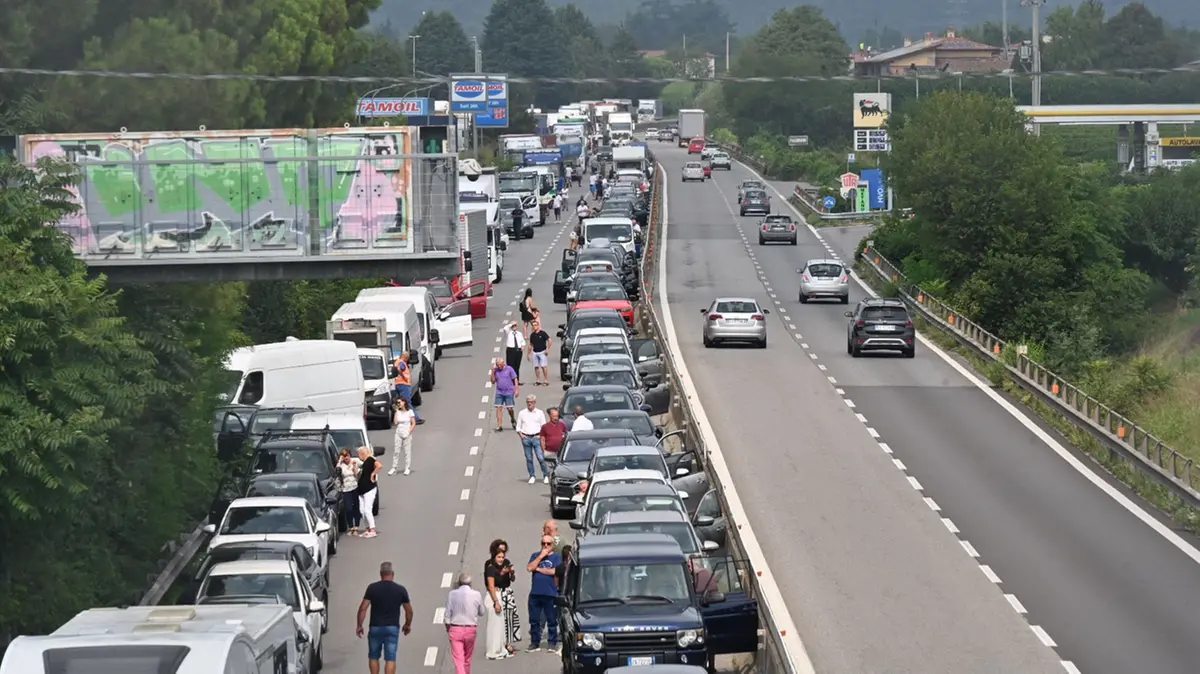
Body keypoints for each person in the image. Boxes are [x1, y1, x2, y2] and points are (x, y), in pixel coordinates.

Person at [357, 561, 414, 674]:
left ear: (380, 574)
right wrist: (407, 625)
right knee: (390, 658)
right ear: (392, 574)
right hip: (392, 628)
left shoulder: (372, 588)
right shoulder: (400, 589)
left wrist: (359, 625)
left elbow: (363, 608)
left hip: (375, 627)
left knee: (373, 656)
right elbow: (409, 611)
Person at [443, 572, 486, 674]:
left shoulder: (452, 594)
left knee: (459, 660)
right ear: (470, 583)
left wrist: (448, 628)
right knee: (467, 659)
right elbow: (482, 612)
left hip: (455, 628)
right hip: (471, 629)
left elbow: (447, 615)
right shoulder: (476, 594)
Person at [526, 535, 562, 653]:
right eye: (543, 543)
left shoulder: (557, 558)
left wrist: (539, 569)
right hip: (535, 593)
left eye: (548, 544)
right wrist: (541, 556)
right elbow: (530, 567)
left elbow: (554, 571)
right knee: (534, 620)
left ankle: (552, 643)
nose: (545, 546)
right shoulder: (535, 556)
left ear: (553, 546)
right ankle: (534, 642)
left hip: (550, 593)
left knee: (552, 620)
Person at [484, 540, 520, 659]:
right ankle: (497, 647)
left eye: (503, 553)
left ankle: (507, 643)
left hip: (507, 593)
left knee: (509, 619)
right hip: (497, 594)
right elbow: (490, 583)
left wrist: (511, 573)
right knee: (497, 622)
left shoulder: (507, 562)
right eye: (499, 554)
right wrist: (496, 601)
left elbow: (512, 579)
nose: (501, 557)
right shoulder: (489, 566)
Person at [516, 395, 549, 485]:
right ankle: (532, 475)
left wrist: (540, 436)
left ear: (534, 403)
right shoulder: (522, 413)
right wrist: (521, 435)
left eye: (531, 402)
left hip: (536, 437)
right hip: (526, 438)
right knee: (529, 458)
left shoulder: (540, 413)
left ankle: (546, 475)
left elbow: (544, 426)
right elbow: (518, 426)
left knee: (541, 458)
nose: (529, 404)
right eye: (528, 402)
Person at [392, 353, 424, 425]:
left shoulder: (397, 361)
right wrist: (404, 378)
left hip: (398, 384)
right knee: (407, 402)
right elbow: (400, 369)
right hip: (404, 385)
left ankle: (398, 418)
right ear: (406, 358)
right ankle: (416, 419)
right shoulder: (402, 363)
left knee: (399, 402)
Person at [356, 446, 381, 538]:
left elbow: (379, 466)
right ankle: (367, 529)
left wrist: (373, 474)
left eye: (359, 454)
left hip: (369, 489)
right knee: (362, 510)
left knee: (367, 509)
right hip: (361, 490)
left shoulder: (370, 459)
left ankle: (373, 529)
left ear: (363, 453)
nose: (359, 457)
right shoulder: (365, 463)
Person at [337, 448, 362, 536]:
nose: (346, 458)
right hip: (346, 489)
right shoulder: (341, 465)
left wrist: (354, 467)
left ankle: (356, 527)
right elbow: (337, 471)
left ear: (350, 455)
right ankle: (351, 527)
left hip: (355, 487)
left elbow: (357, 474)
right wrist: (340, 461)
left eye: (347, 455)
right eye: (344, 456)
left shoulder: (354, 462)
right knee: (348, 509)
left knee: (356, 507)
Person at [389, 397, 416, 476]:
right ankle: (394, 468)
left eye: (399, 402)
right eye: (397, 403)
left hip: (406, 431)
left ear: (404, 402)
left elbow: (413, 423)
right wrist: (396, 412)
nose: (398, 404)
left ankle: (407, 468)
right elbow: (395, 422)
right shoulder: (398, 412)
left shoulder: (409, 412)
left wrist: (409, 432)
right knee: (396, 451)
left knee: (407, 451)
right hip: (399, 432)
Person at [491, 358, 519, 432]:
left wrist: (516, 390)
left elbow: (515, 379)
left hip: (509, 392)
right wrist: (492, 372)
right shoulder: (496, 370)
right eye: (497, 365)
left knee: (509, 409)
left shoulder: (509, 369)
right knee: (499, 408)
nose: (499, 366)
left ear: (503, 363)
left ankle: (512, 419)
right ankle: (499, 426)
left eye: (500, 365)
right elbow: (493, 381)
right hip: (499, 392)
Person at [527, 319, 551, 386]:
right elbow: (531, 345)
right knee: (536, 366)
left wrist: (547, 349)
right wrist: (528, 354)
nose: (534, 327)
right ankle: (538, 380)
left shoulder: (543, 333)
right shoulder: (532, 335)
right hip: (535, 352)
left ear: (538, 326)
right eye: (533, 326)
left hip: (542, 352)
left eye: (535, 325)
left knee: (544, 366)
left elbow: (549, 340)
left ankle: (546, 380)